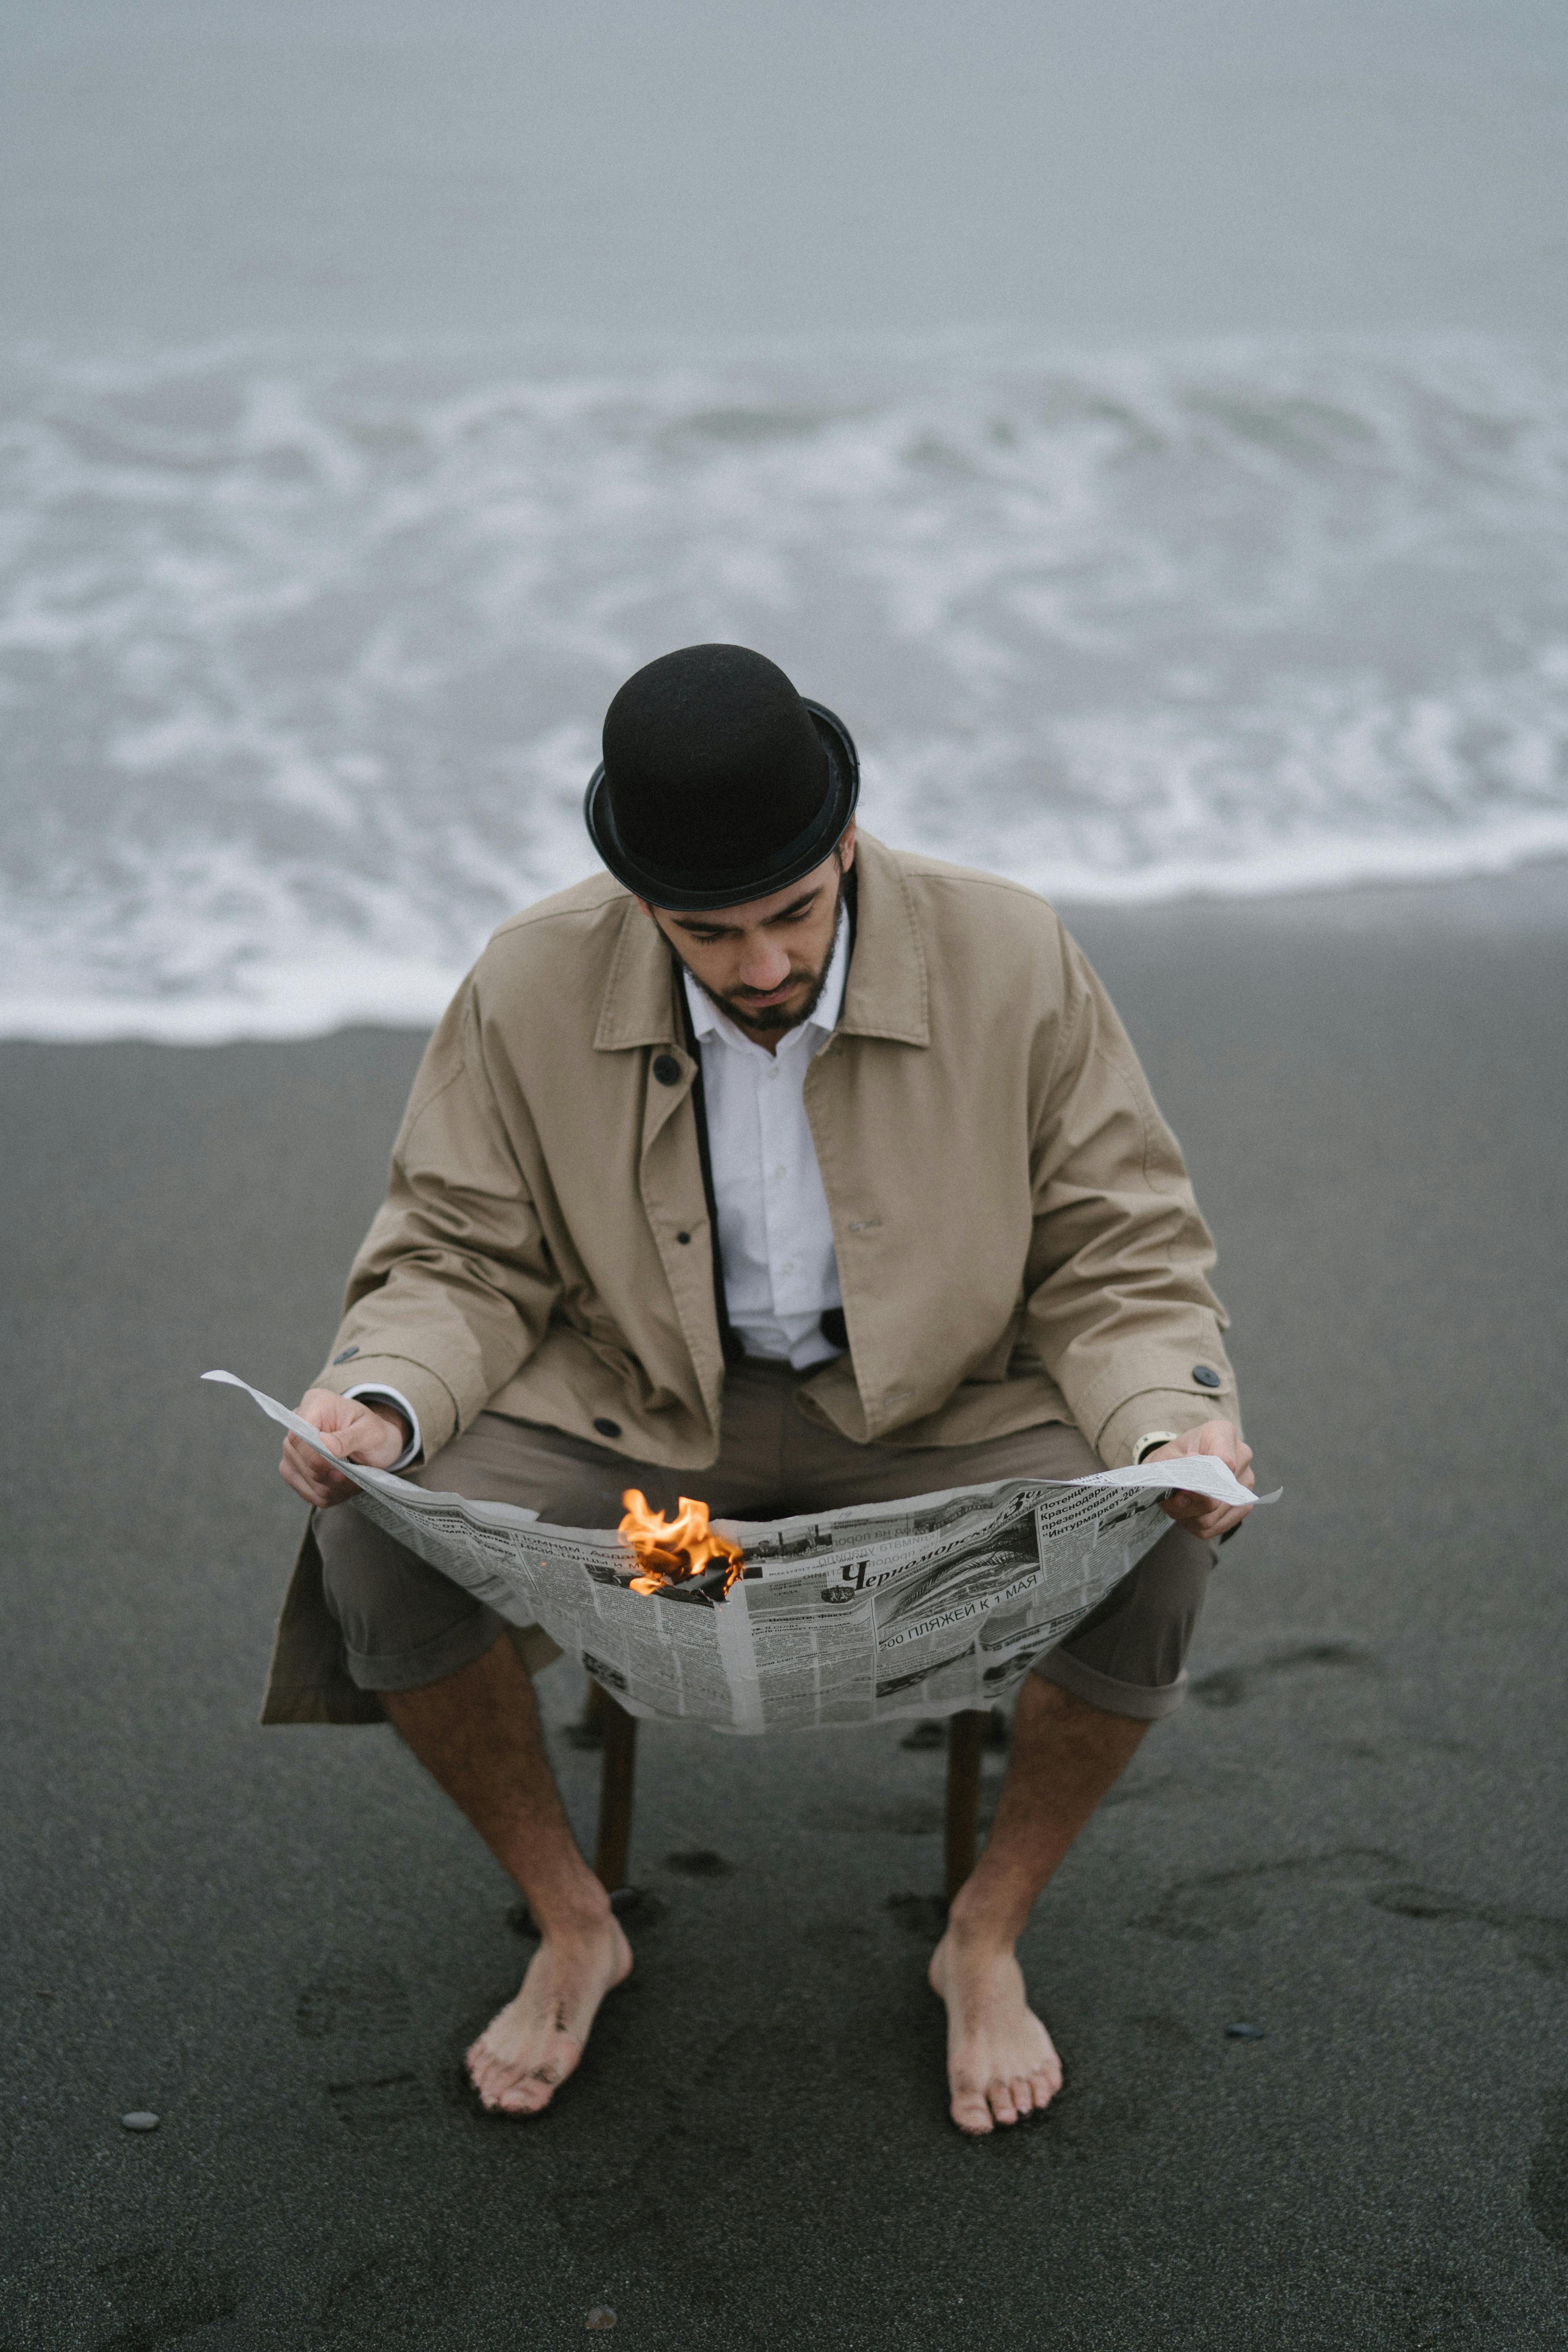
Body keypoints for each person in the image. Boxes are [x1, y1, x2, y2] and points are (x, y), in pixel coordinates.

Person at [267, 643, 1255, 2137]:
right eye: (707, 932)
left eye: (791, 912)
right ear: (641, 902)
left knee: (1166, 1527)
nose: (761, 965)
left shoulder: (1014, 951)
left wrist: (1162, 1422)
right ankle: (573, 1918)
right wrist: (381, 1402)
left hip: (936, 1418)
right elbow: (459, 1254)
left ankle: (983, 1934)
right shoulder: (530, 976)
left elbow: (1117, 1246)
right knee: (364, 1528)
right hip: (641, 1422)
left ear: (845, 843)